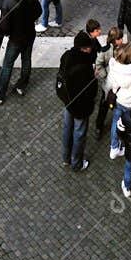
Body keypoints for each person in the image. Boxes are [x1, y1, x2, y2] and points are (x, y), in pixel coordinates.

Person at [0, 0, 38, 103]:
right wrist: (29, 21)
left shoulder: (8, 2)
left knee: (7, 65)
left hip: (16, 39)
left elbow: (5, 27)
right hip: (30, 34)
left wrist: (10, 31)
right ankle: (22, 86)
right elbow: (38, 11)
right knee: (26, 59)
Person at [56, 30, 98, 171]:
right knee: (79, 134)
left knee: (67, 129)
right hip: (81, 106)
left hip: (68, 101)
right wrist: (94, 77)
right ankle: (77, 163)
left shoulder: (66, 56)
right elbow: (91, 91)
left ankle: (65, 158)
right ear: (84, 48)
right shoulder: (85, 67)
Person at [105, 39, 131, 159]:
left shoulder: (113, 68)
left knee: (115, 123)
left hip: (118, 100)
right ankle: (128, 146)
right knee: (130, 126)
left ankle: (114, 148)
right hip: (130, 103)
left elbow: (109, 85)